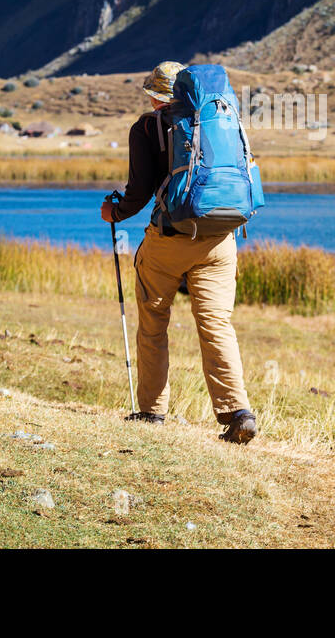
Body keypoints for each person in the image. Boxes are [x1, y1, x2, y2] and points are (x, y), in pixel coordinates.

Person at [100, 61, 257, 444]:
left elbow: (137, 196)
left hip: (170, 239)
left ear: (156, 95)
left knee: (153, 320)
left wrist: (114, 212)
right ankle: (238, 413)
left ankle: (152, 413)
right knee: (216, 324)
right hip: (221, 237)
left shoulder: (147, 127)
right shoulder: (220, 116)